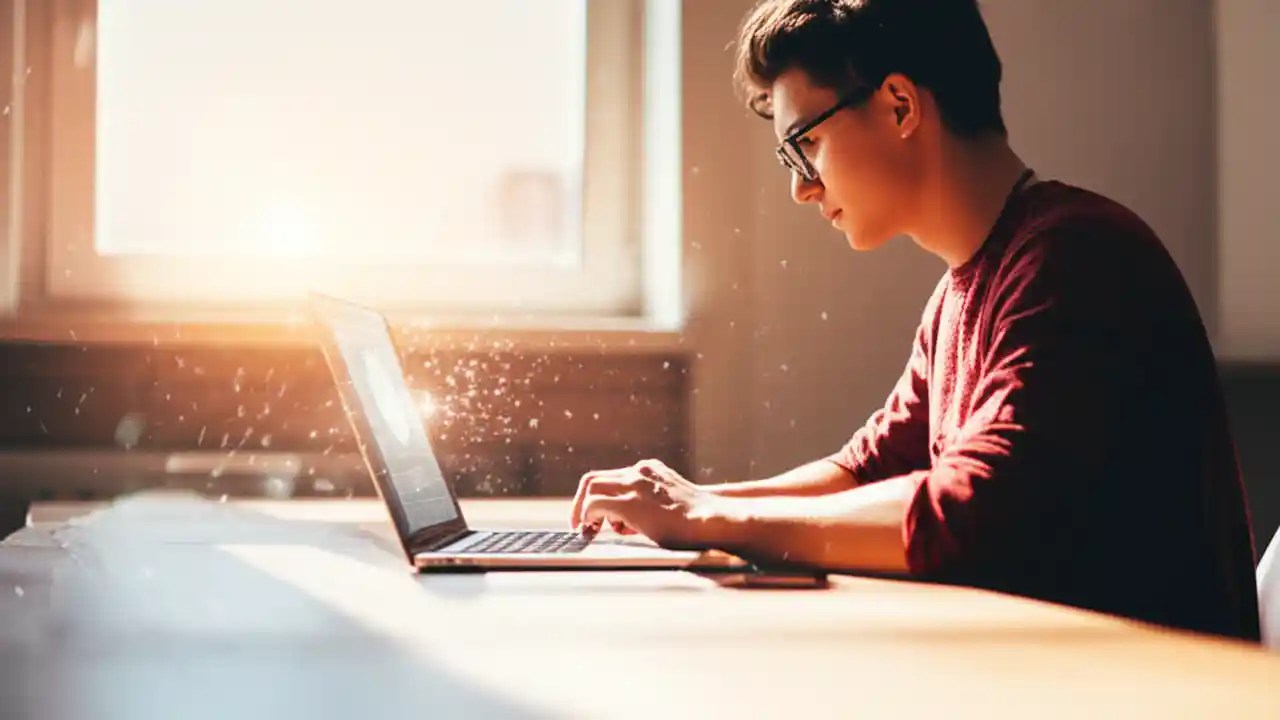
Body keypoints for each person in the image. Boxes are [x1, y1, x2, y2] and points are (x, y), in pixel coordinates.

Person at [569, 0, 1260, 642]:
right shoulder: (967, 288)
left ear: (900, 105)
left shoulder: (1077, 256)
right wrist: (686, 503)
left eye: (803, 144)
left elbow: (966, 511)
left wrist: (710, 519)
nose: (800, 187)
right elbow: (862, 473)